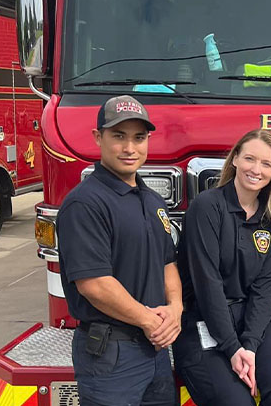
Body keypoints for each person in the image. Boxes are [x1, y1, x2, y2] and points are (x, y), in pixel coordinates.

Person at [57, 95, 181, 406]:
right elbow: (94, 284)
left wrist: (176, 309)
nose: (130, 148)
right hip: (111, 356)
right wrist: (151, 322)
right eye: (119, 136)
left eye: (139, 138)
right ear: (98, 138)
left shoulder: (152, 201)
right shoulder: (84, 204)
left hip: (154, 351)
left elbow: (167, 263)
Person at [173, 130, 271, 406]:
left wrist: (250, 345)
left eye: (266, 164)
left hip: (252, 321)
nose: (256, 169)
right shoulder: (207, 207)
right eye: (250, 159)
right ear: (235, 160)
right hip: (203, 319)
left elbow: (265, 289)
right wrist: (232, 347)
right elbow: (207, 284)